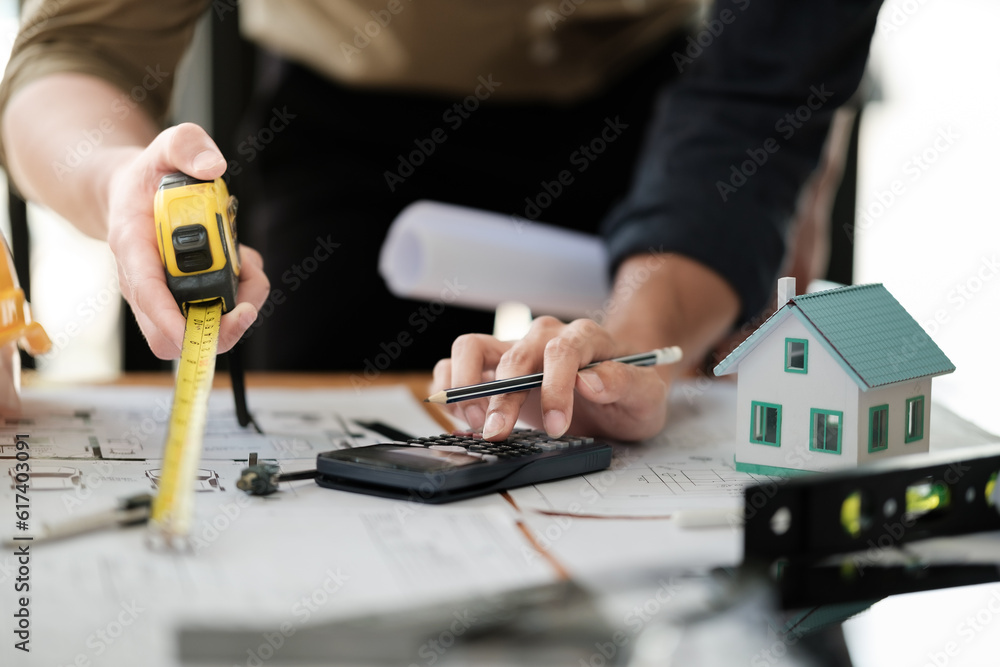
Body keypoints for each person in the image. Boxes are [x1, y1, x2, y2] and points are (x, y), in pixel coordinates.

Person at [0, 0, 883, 442]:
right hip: (355, 116)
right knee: (332, 476)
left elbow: (764, 86)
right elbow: (76, 47)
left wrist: (646, 337)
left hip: (662, 116)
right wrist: (119, 179)